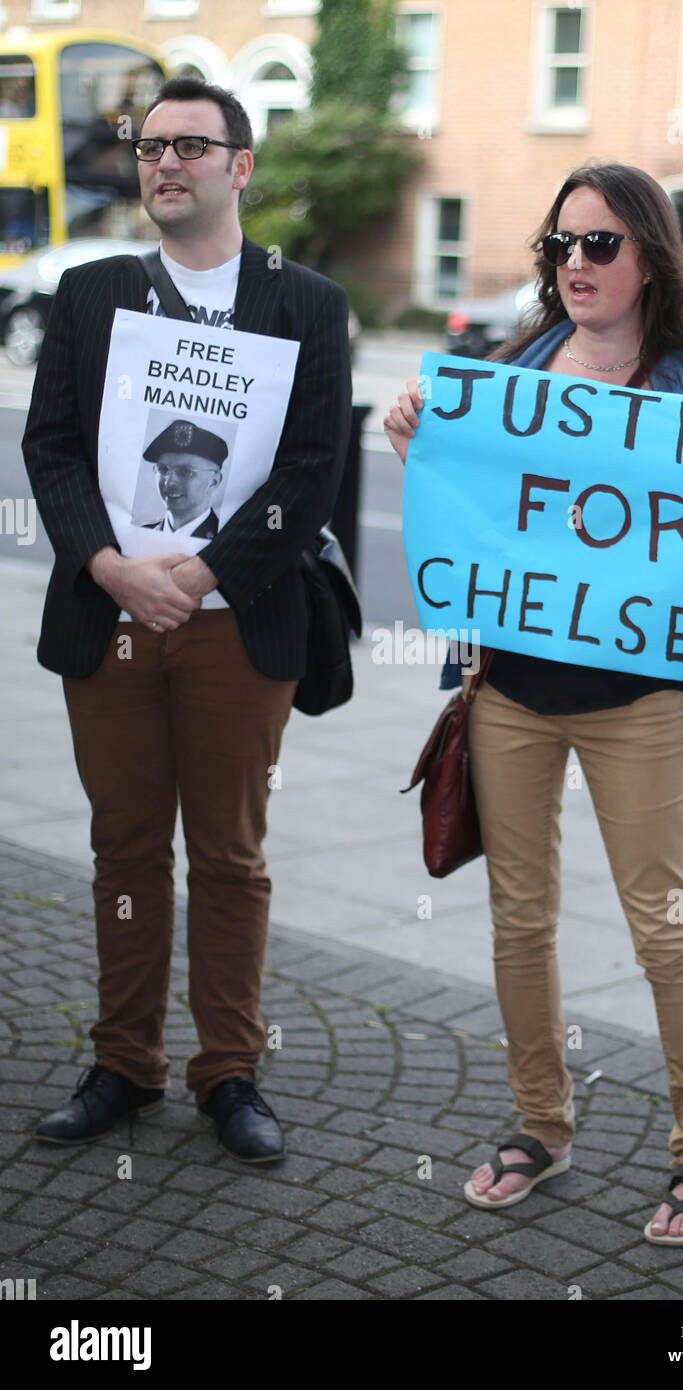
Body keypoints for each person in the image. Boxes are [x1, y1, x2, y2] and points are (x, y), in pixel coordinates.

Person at [384, 162, 683, 1244]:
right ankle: (542, 1124)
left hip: (636, 702)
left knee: (664, 928)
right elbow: (471, 518)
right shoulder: (509, 374)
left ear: (649, 259)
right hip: (509, 696)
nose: (573, 264)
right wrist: (419, 443)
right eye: (558, 245)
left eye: (598, 244)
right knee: (518, 921)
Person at [24, 77, 351, 1162]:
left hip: (236, 619)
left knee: (229, 854)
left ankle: (230, 1069)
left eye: (191, 147)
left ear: (239, 167)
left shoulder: (303, 301)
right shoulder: (92, 290)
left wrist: (203, 569)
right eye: (150, 146)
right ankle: (124, 1060)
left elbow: (310, 474)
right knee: (122, 847)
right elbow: (53, 446)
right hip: (110, 613)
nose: (166, 163)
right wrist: (114, 567)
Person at [140, 419, 227, 539]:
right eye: (163, 469)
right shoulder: (141, 533)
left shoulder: (226, 540)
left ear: (214, 481)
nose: (170, 482)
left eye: (186, 472)